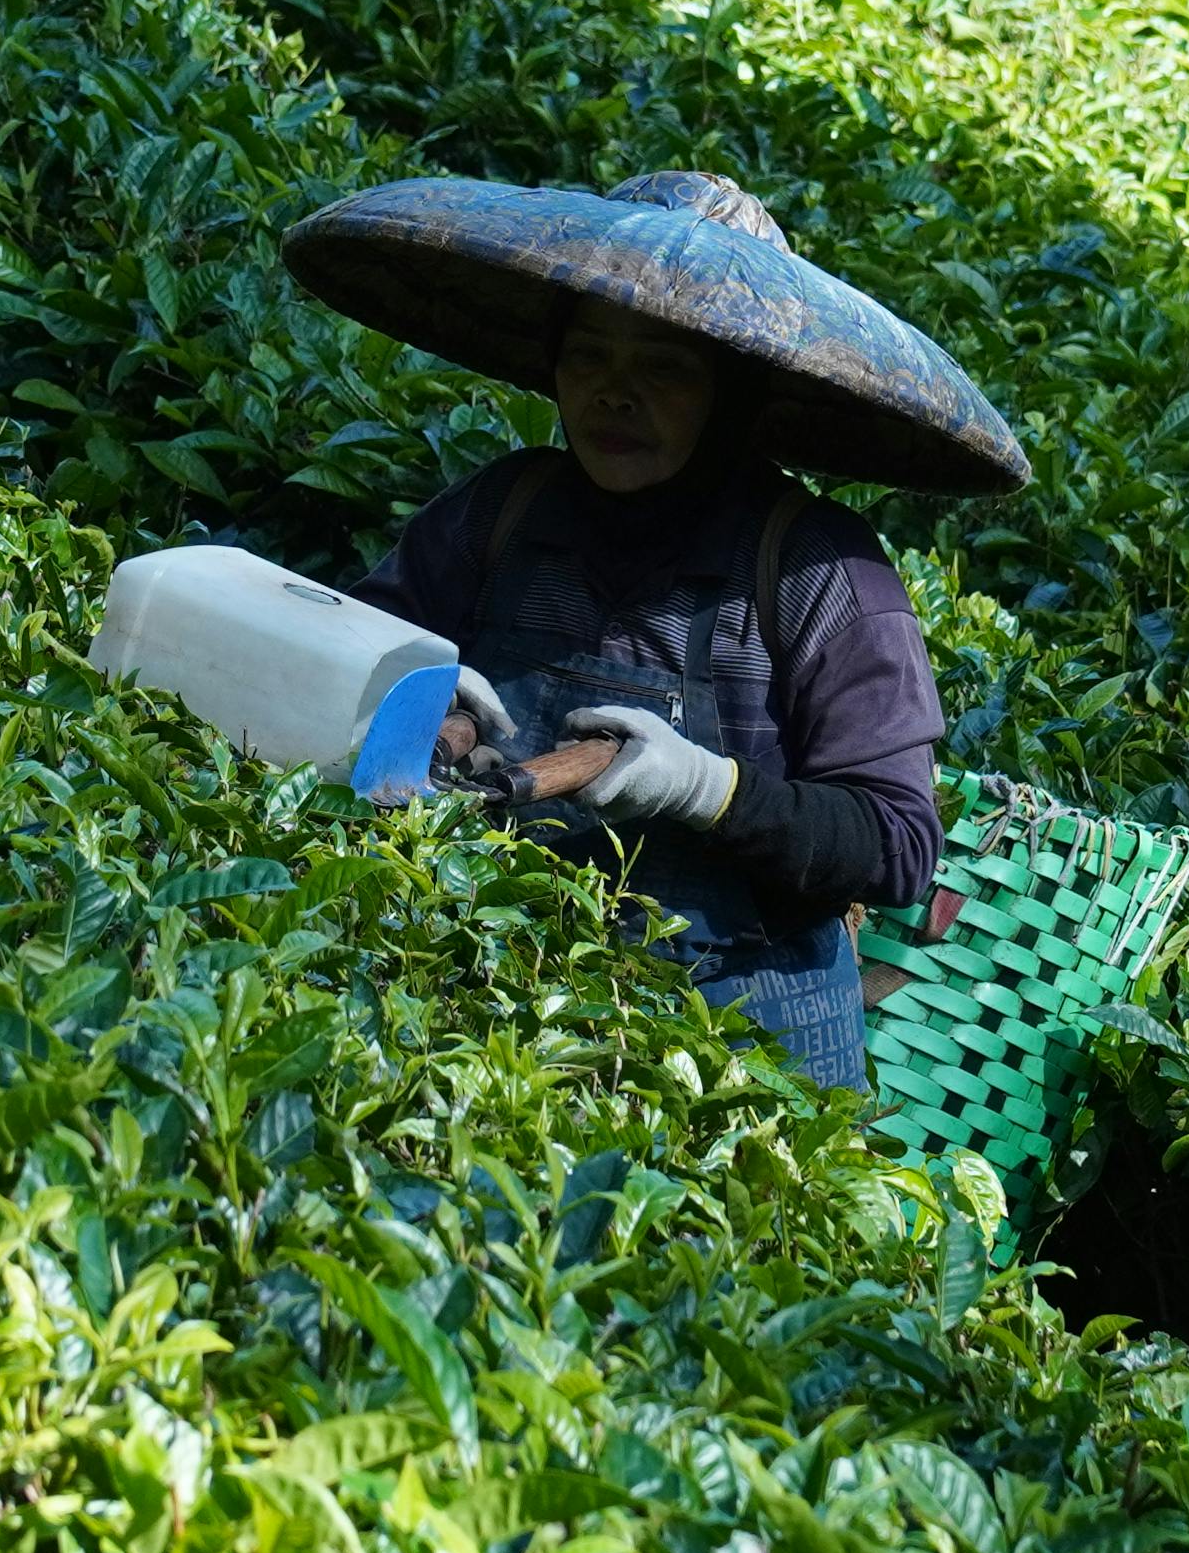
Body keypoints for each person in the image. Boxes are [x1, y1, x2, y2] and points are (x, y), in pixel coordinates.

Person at [279, 169, 1027, 1092]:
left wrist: (708, 790)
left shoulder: (819, 570)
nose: (614, 396)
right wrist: (415, 694)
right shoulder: (503, 513)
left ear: (737, 394)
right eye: (589, 356)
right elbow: (336, 659)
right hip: (493, 989)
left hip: (744, 1043)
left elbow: (898, 844)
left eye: (665, 367)